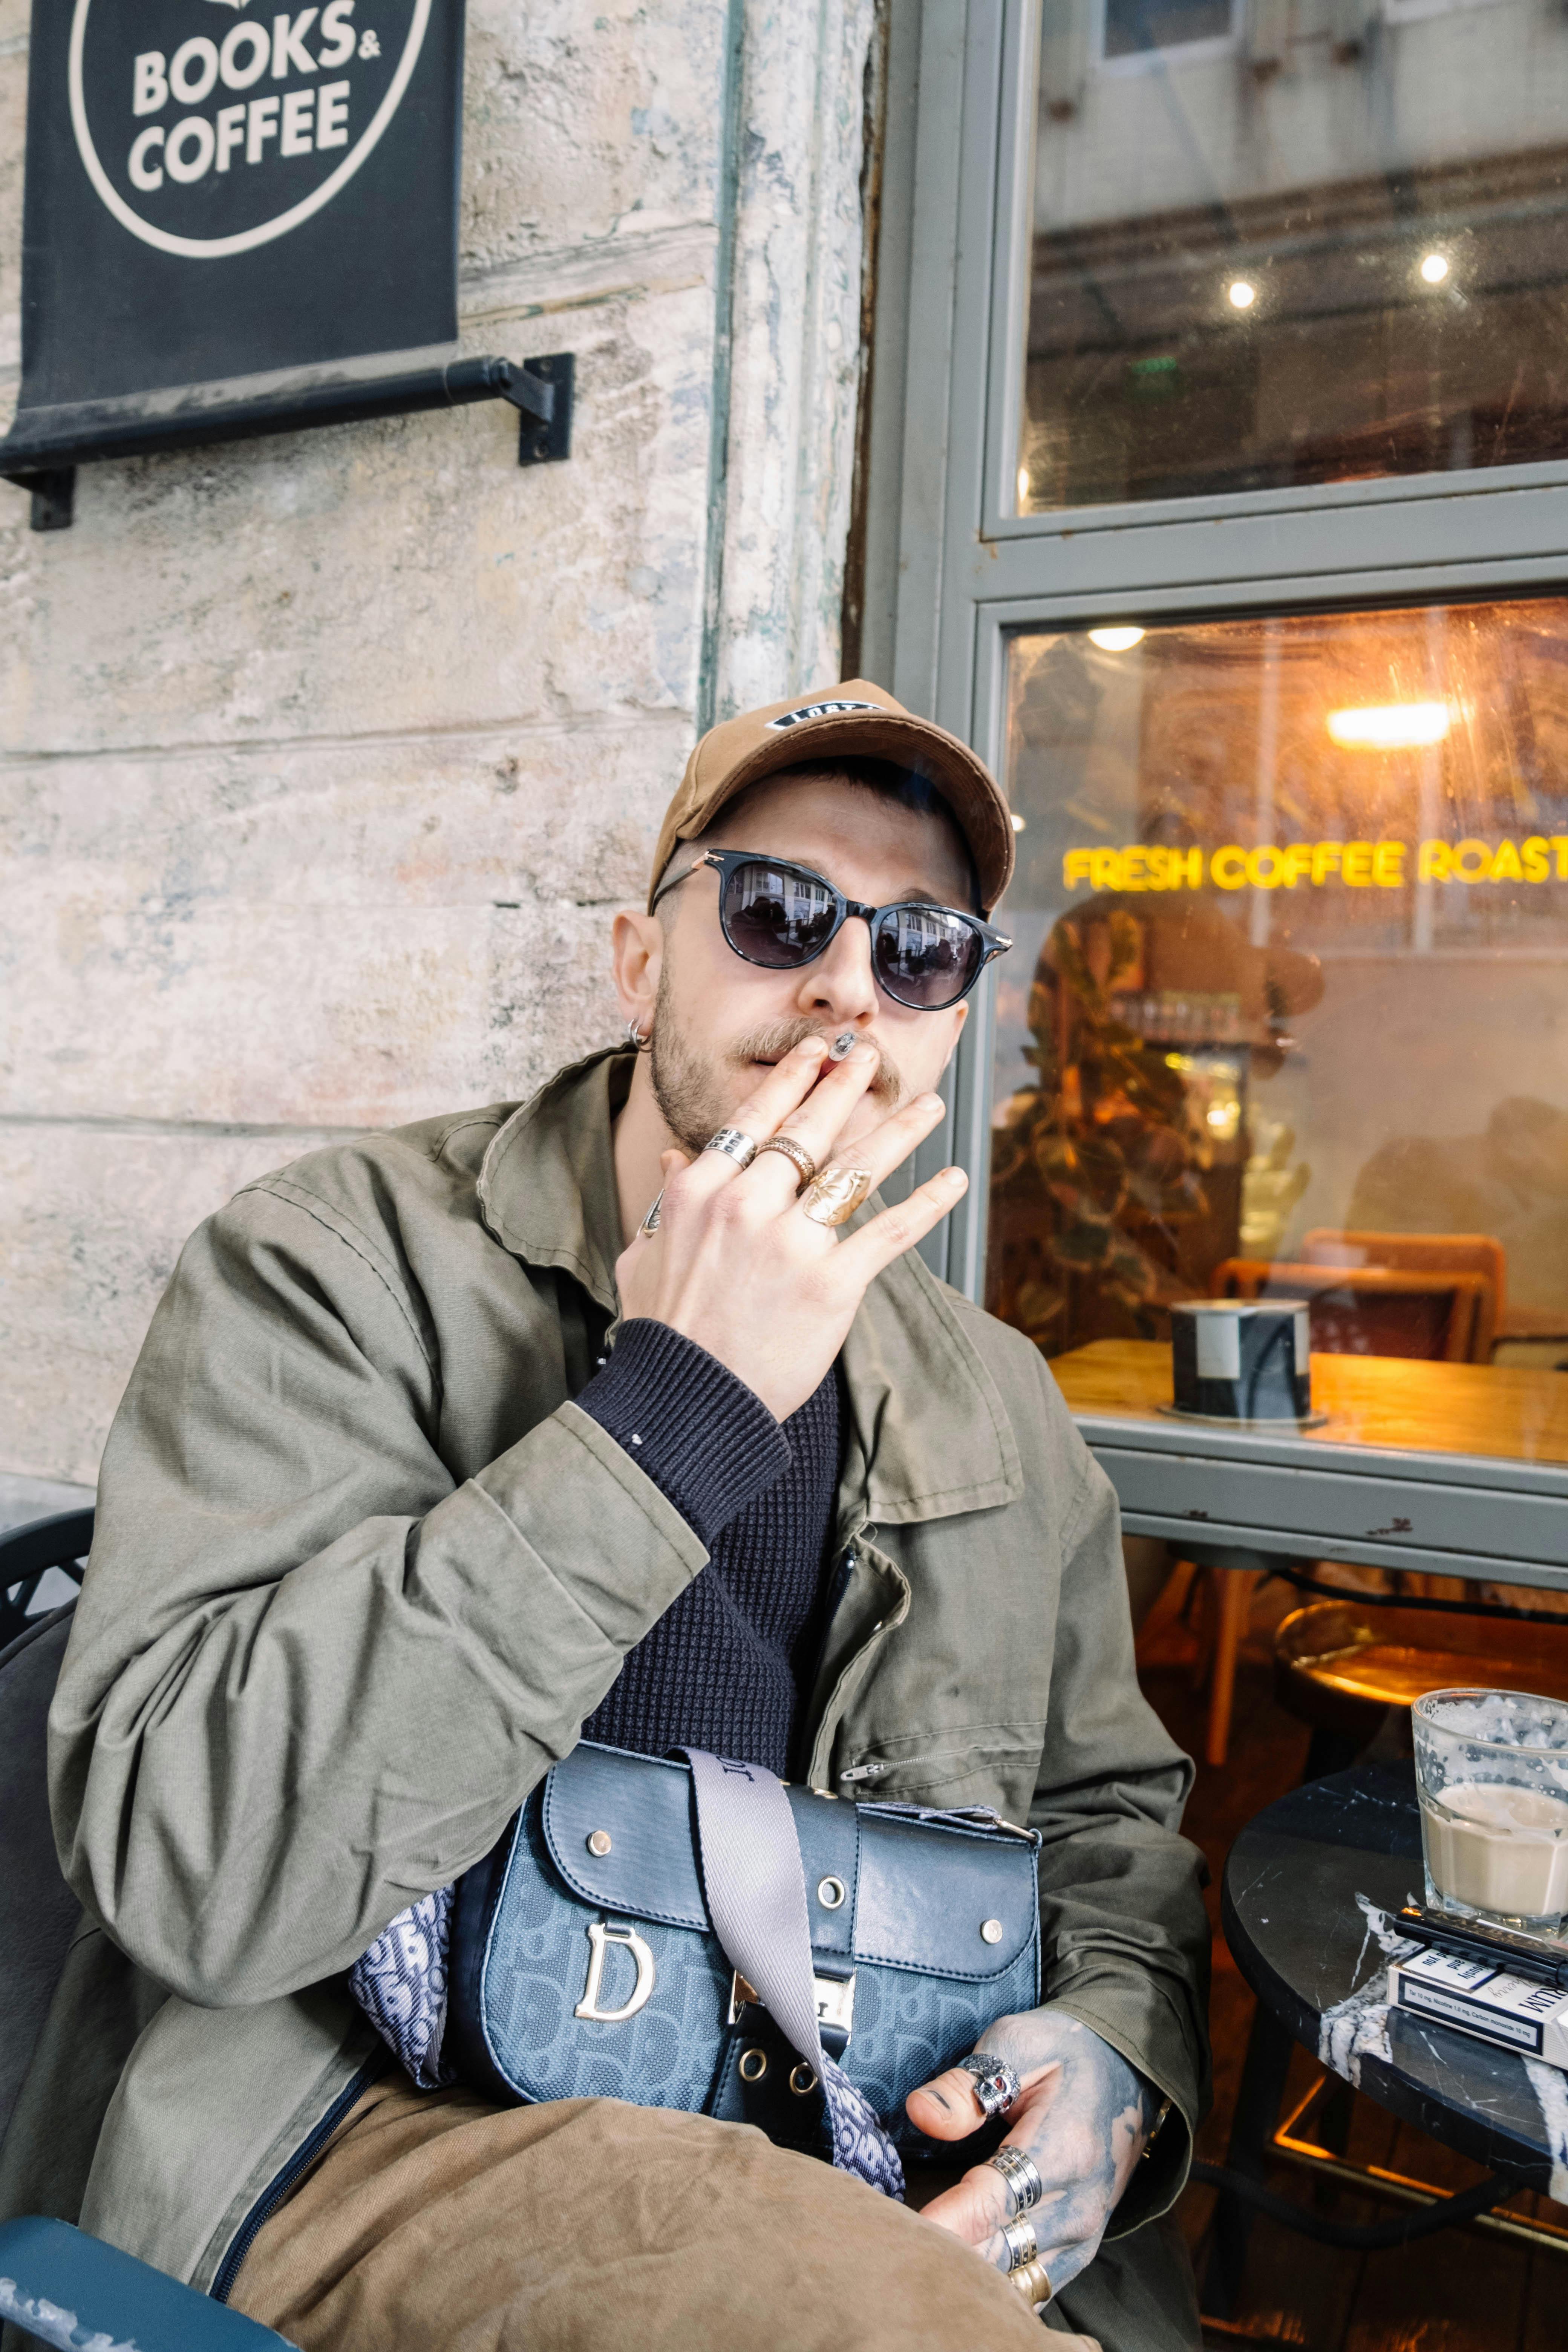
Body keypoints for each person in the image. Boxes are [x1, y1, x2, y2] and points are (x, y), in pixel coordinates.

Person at [14, 682, 1210, 2351]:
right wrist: (672, 1414)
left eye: (921, 948)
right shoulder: (335, 1267)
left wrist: (1110, 2055)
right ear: (640, 959)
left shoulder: (993, 1397)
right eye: (777, 909)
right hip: (383, 2126)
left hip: (859, 2158)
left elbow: (1105, 1826)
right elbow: (197, 1867)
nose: (843, 987)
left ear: (953, 1022)